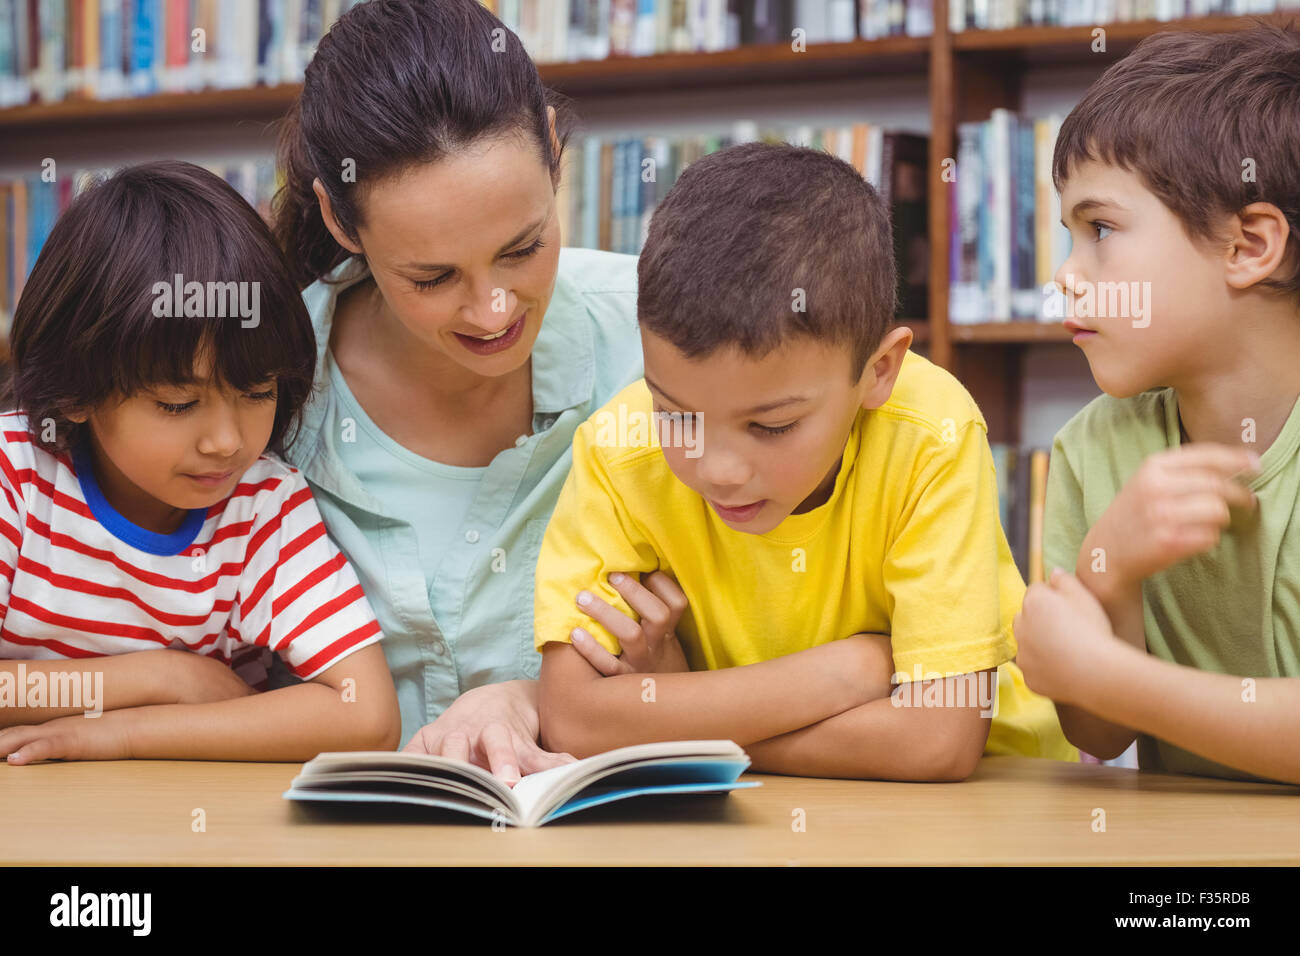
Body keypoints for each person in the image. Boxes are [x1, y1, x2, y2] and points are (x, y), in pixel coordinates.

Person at [534, 142, 1077, 780]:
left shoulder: (928, 431)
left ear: (879, 371)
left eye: (772, 425)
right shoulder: (621, 444)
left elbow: (939, 740)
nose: (719, 470)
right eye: (676, 413)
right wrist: (847, 672)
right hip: (761, 810)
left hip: (994, 799)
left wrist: (677, 729)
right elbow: (573, 719)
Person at [272, 0, 646, 782]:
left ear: (551, 146)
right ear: (343, 224)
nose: (494, 310)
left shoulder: (663, 344)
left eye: (523, 248)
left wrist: (536, 698)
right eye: (432, 278)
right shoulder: (260, 389)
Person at [0, 161, 398, 765]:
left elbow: (365, 715)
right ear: (77, 390)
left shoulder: (262, 505)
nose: (227, 442)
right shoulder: (17, 478)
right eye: (178, 404)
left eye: (258, 393)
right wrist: (161, 680)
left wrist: (120, 734)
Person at [1014, 24, 1300, 785]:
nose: (1065, 276)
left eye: (1100, 229)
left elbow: (1102, 690)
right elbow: (1097, 734)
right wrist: (1110, 573)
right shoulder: (1092, 450)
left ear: (1249, 246)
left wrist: (1108, 674)